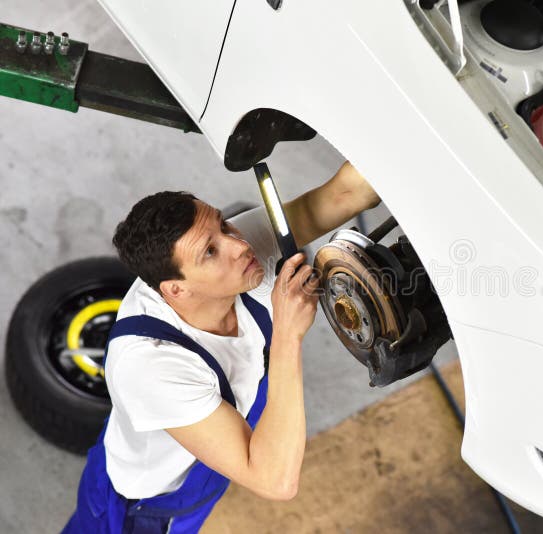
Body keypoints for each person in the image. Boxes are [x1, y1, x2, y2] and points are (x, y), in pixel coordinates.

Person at [63, 161, 380, 533]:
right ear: (176, 289)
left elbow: (345, 193)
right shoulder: (149, 365)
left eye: (223, 224)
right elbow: (274, 480)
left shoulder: (235, 254)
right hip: (143, 509)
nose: (239, 244)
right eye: (210, 252)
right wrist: (287, 337)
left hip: (204, 471)